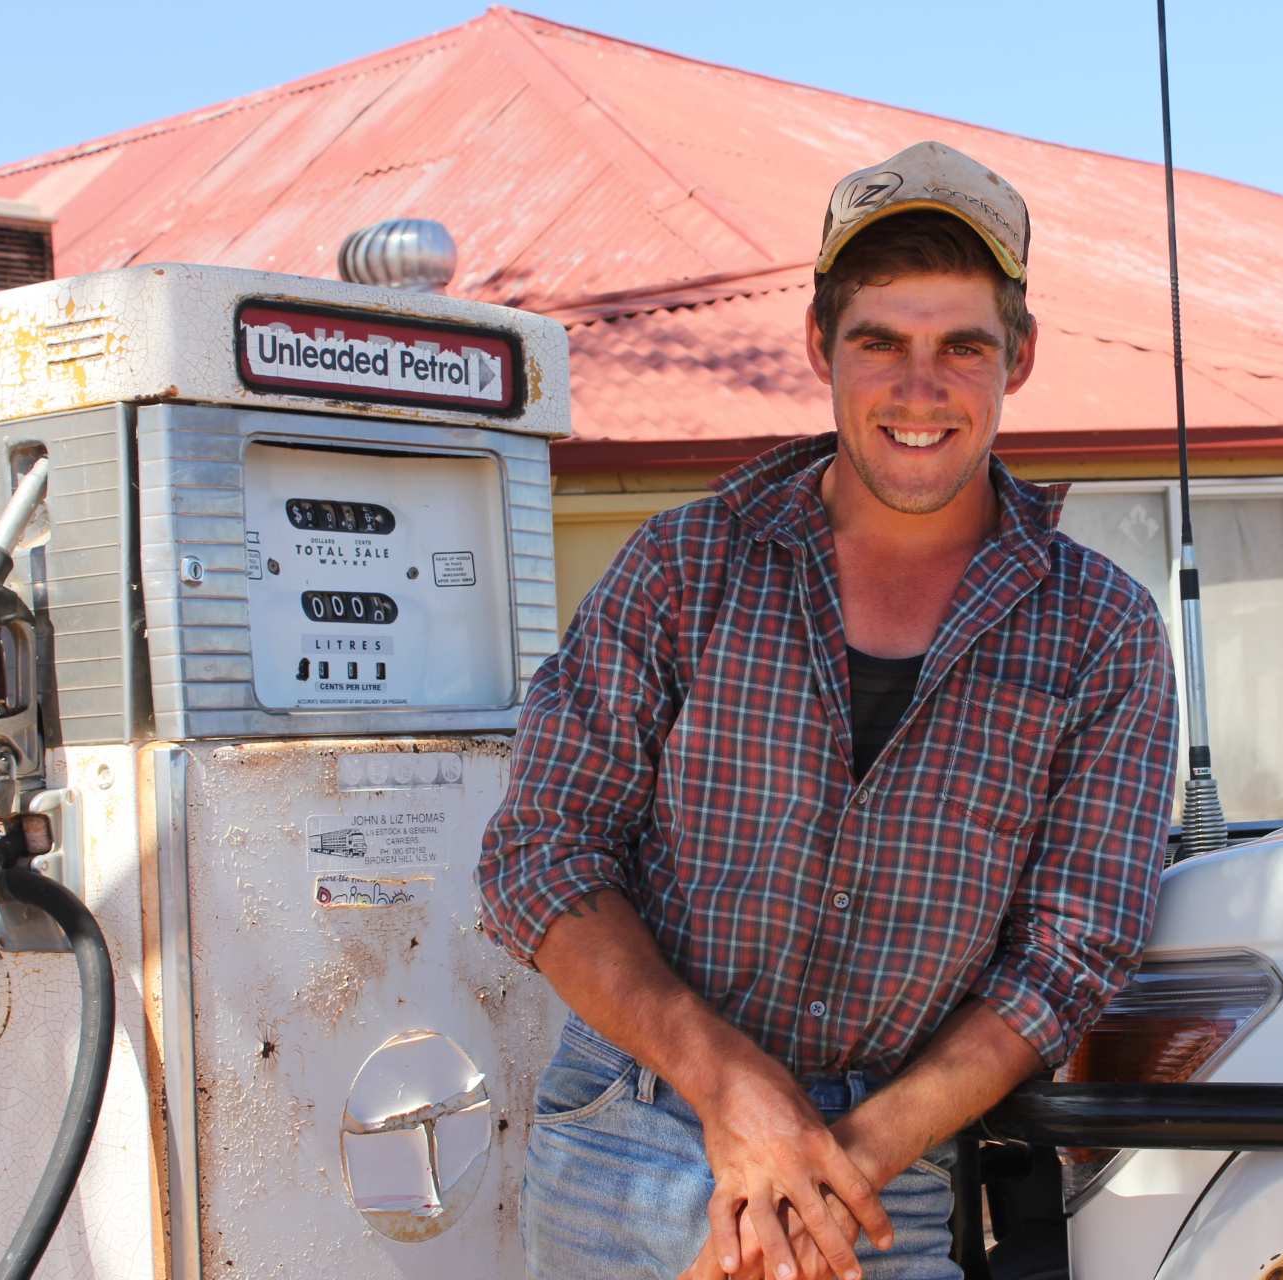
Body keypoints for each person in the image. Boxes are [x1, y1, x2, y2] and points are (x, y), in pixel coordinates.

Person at [477, 139, 1178, 1280]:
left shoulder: (1099, 629)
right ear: (819, 345)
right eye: (879, 343)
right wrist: (735, 1087)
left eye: (962, 345)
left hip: (882, 1172)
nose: (920, 388)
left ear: (1021, 357)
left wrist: (825, 1172)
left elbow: (1068, 954)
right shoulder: (685, 567)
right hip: (628, 1128)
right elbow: (541, 857)